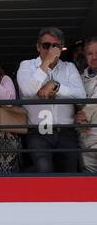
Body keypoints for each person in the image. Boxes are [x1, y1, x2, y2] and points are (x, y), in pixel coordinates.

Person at [17, 26, 84, 172]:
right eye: (46, 45)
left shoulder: (69, 67)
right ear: (38, 47)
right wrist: (45, 63)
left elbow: (81, 95)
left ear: (61, 48)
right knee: (44, 170)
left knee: (69, 175)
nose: (50, 50)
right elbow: (28, 91)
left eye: (56, 46)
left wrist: (57, 87)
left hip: (66, 132)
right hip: (39, 132)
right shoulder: (27, 65)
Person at [79, 37, 97, 172]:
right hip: (85, 142)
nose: (94, 57)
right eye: (90, 53)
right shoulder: (79, 78)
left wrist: (83, 113)